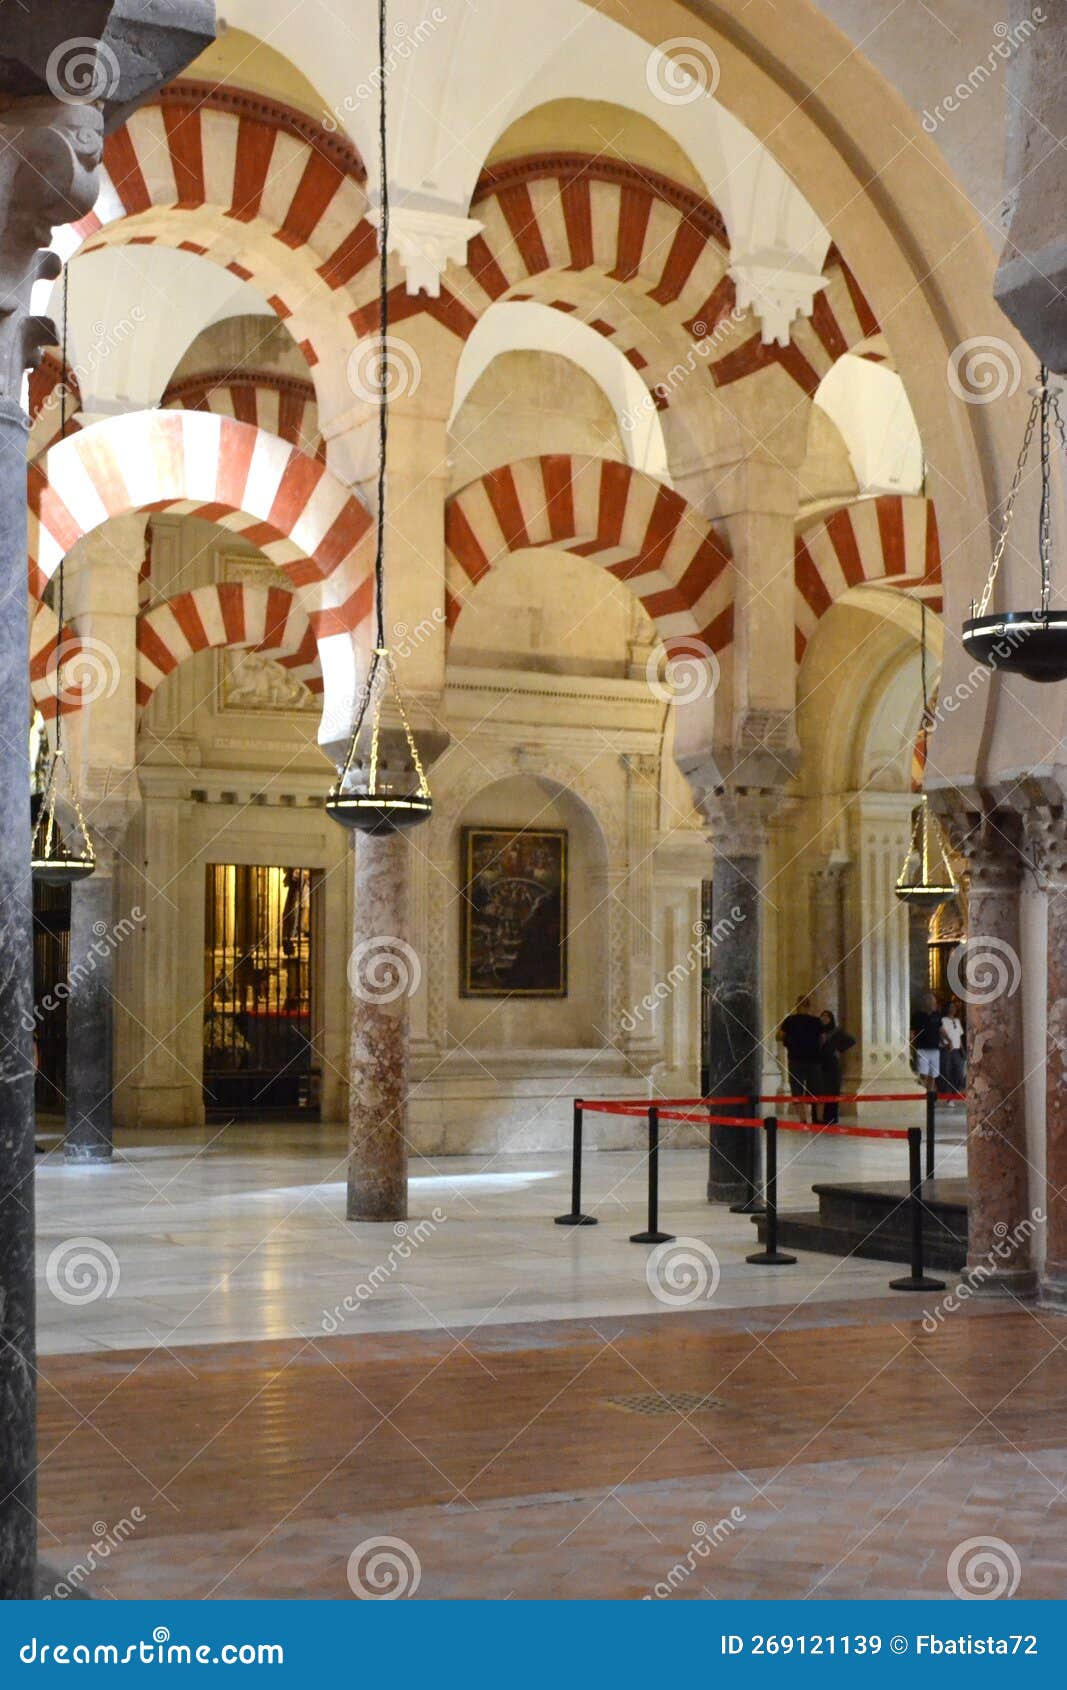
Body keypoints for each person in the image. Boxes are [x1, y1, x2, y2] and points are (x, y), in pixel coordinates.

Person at [777, 996, 823, 1120]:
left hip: (796, 1059)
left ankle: (803, 1120)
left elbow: (779, 1036)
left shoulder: (790, 1020)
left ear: (797, 1005)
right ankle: (819, 1119)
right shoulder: (816, 1021)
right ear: (809, 1006)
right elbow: (822, 1040)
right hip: (814, 1060)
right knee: (817, 1091)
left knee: (797, 1090)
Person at [816, 1011, 855, 1124]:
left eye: (827, 1016)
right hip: (819, 1063)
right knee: (820, 1090)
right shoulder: (817, 1031)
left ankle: (832, 1117)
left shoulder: (836, 1031)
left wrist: (839, 1049)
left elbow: (851, 1040)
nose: (824, 1018)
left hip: (832, 1064)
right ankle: (819, 1117)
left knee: (832, 1090)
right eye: (822, 1016)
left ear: (831, 1018)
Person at [910, 990, 944, 1094]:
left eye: (934, 1002)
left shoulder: (937, 1015)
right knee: (923, 1073)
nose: (933, 1003)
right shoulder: (917, 1015)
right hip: (922, 1049)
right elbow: (912, 1031)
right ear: (925, 1002)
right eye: (931, 1001)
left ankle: (929, 1095)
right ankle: (922, 1093)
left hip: (935, 1048)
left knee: (933, 1074)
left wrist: (948, 1040)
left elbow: (941, 1029)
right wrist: (911, 1044)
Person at [940, 997, 966, 1096]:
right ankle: (946, 1092)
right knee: (947, 1071)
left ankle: (957, 1090)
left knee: (959, 1071)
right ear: (947, 1008)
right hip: (946, 1049)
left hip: (957, 1050)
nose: (953, 1009)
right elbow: (940, 1034)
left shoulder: (957, 1020)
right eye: (951, 1007)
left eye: (954, 1007)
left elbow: (959, 1036)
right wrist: (945, 1043)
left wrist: (962, 1050)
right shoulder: (942, 1020)